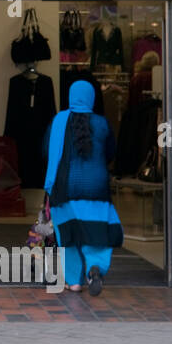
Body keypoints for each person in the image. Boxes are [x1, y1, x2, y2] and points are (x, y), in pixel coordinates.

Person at [43, 79, 123, 295]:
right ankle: (95, 268)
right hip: (96, 189)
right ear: (92, 98)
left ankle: (74, 282)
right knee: (96, 232)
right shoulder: (102, 123)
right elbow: (110, 154)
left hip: (64, 188)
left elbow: (45, 151)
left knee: (68, 235)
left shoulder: (58, 122)